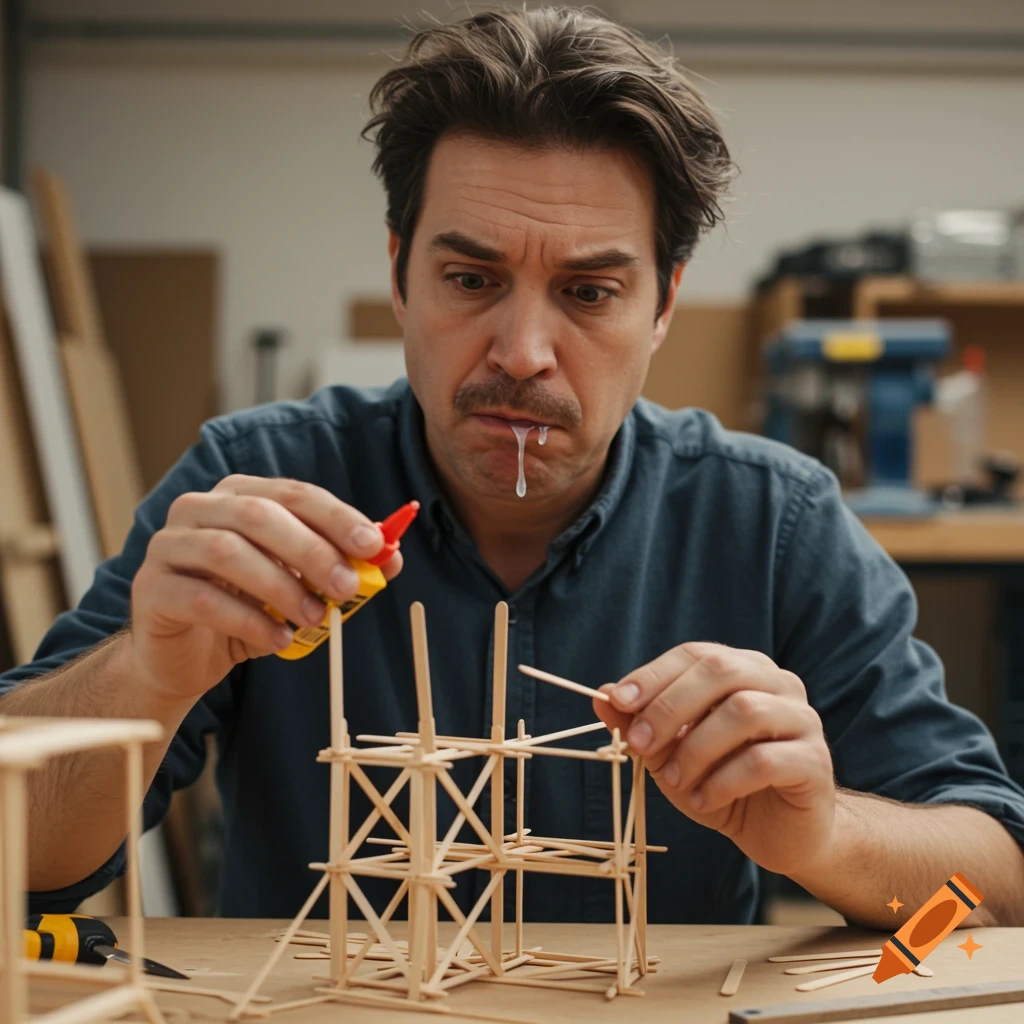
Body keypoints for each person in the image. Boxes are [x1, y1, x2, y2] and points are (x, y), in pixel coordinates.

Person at [3, 6, 1023, 927]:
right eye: (469, 277)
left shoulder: (773, 523)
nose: (522, 352)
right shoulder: (258, 480)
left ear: (662, 305)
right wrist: (147, 670)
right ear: (400, 276)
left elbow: (999, 878)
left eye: (587, 292)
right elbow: (22, 865)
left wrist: (825, 837)